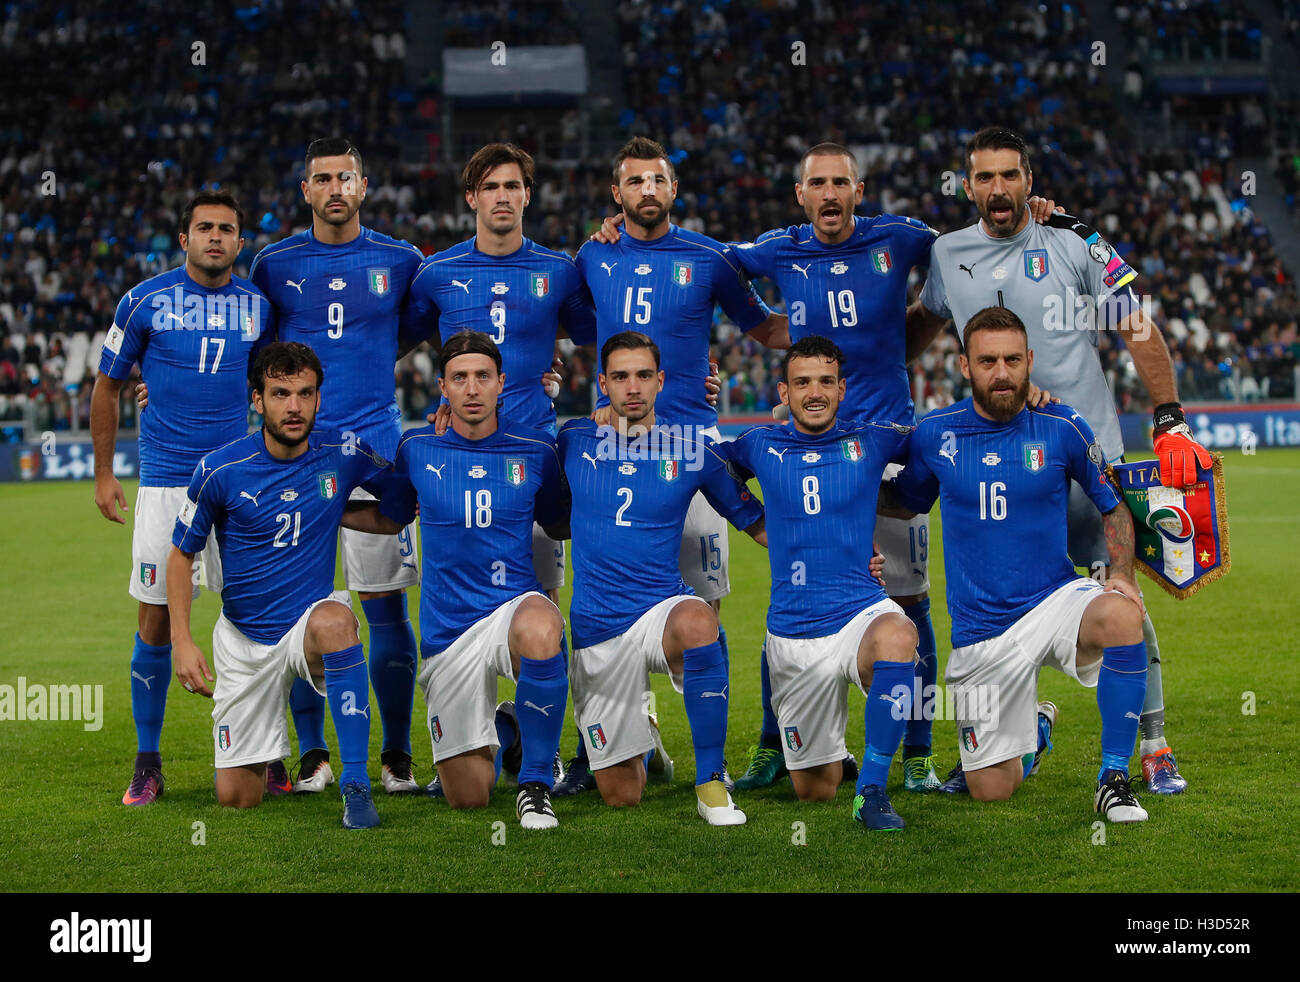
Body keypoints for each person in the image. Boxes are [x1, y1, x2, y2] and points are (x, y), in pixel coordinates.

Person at [911, 126, 1210, 793]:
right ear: (968, 186)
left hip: (1087, 460)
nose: (997, 189)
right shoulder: (945, 254)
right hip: (1002, 472)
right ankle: (1028, 724)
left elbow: (1137, 325)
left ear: (1029, 180)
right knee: (1006, 607)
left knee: (1123, 598)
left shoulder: (1074, 242)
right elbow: (919, 328)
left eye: (1009, 175)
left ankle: (1154, 745)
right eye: (984, 177)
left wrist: (1168, 420)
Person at [559, 136, 785, 796]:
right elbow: (568, 324)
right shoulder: (592, 254)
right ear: (616, 192)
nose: (647, 191)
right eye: (635, 182)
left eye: (658, 180)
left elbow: (764, 327)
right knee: (599, 599)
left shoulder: (708, 258)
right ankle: (599, 742)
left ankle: (708, 760)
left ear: (674, 189)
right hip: (614, 449)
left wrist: (853, 335)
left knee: (702, 610)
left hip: (694, 454)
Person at [880, 307, 1150, 822]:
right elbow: (905, 500)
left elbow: (1112, 503)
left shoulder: (1062, 424)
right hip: (981, 633)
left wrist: (1121, 574)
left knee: (1121, 616)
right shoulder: (935, 433)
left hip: (1053, 601)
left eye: (1010, 359)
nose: (1000, 372)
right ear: (964, 365)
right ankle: (1038, 731)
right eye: (987, 361)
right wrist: (839, 486)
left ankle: (1113, 780)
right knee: (991, 790)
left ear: (1029, 361)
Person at [248, 138, 427, 795]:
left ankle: (398, 756)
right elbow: (253, 350)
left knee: (383, 606)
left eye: (344, 177)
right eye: (321, 177)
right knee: (299, 610)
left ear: (364, 184)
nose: (333, 188)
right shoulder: (274, 263)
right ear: (305, 189)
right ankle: (314, 755)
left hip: (376, 455)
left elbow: (434, 327)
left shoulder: (401, 259)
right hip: (294, 461)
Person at [90, 189, 273, 806]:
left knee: (258, 612)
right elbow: (107, 386)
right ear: (184, 237)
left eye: (226, 228)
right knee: (156, 617)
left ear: (240, 242)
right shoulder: (144, 301)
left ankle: (267, 752)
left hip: (240, 480)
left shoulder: (259, 307)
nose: (215, 237)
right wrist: (104, 474)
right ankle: (148, 761)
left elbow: (278, 386)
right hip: (166, 481)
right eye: (204, 228)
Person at [347, 331, 571, 828]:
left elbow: (560, 523)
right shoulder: (417, 448)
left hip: (511, 612)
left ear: (501, 384)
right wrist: (328, 511)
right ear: (442, 388)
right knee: (469, 795)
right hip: (448, 634)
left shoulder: (536, 449)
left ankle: (535, 783)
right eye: (460, 378)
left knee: (540, 624)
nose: (472, 388)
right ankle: (509, 729)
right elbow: (390, 518)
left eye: (482, 377)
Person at [168, 341, 397, 829]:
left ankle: (355, 783)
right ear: (257, 400)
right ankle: (266, 753)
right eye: (279, 393)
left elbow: (398, 500)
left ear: (318, 398)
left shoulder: (345, 451)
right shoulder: (219, 470)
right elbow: (180, 552)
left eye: (304, 393)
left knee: (337, 620)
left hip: (305, 629)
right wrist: (182, 641)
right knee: (236, 798)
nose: (293, 406)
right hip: (243, 641)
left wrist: (346, 511)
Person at [558, 331, 766, 825]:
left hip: (660, 610)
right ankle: (638, 741)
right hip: (597, 630)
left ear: (661, 382)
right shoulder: (572, 439)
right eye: (622, 376)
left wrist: (836, 561)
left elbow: (758, 524)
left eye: (644, 376)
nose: (633, 387)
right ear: (602, 383)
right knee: (622, 795)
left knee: (700, 622)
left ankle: (712, 782)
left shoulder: (690, 450)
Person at [721, 336, 921, 830]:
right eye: (803, 382)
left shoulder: (872, 439)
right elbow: (708, 464)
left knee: (899, 637)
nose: (815, 392)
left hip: (860, 612)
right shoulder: (759, 444)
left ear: (842, 388)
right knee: (814, 791)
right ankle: (836, 759)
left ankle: (871, 790)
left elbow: (939, 438)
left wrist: (903, 502)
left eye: (826, 382)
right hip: (793, 635)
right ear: (784, 393)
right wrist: (756, 522)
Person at [405, 142, 597, 609]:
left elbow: (602, 338)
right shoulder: (436, 272)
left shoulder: (559, 271)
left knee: (545, 597)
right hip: (460, 451)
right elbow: (404, 339)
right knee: (457, 594)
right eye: (490, 187)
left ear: (528, 195)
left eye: (513, 185)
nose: (502, 196)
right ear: (472, 197)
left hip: (535, 451)